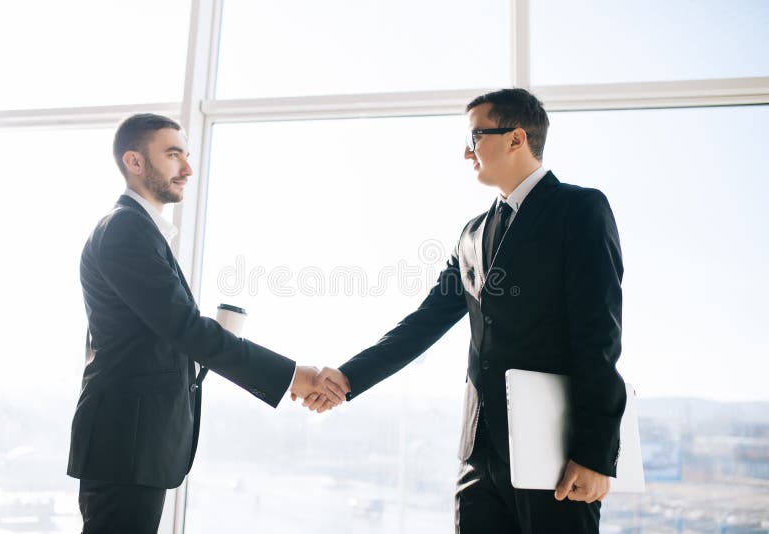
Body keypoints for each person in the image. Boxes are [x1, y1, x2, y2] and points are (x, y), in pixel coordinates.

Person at [307, 88, 627, 533]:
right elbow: (425, 322)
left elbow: (600, 336)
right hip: (478, 456)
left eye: (475, 137)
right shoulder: (472, 234)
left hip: (555, 455)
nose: (466, 151)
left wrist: (595, 454)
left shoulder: (579, 209)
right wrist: (347, 377)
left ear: (517, 139)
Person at [67, 113, 346, 533]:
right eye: (173, 154)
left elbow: (156, 336)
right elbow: (185, 329)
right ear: (135, 162)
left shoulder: (138, 230)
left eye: (188, 155)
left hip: (131, 443)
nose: (188, 168)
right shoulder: (126, 229)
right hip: (125, 444)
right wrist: (293, 376)